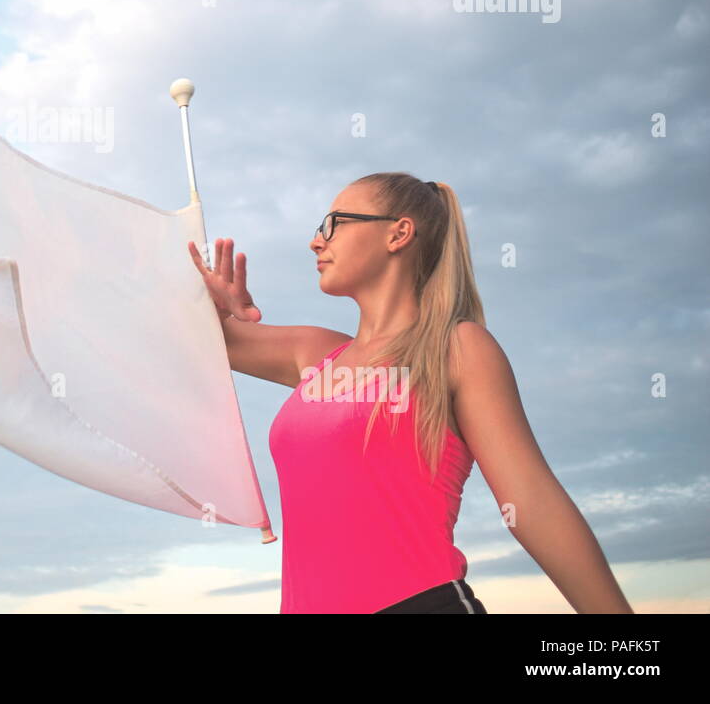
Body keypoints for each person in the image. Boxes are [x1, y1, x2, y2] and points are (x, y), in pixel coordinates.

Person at [188, 172, 634, 614]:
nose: (316, 242)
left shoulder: (457, 348)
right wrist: (215, 310)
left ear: (398, 233)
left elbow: (532, 501)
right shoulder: (316, 354)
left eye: (333, 224)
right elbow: (191, 335)